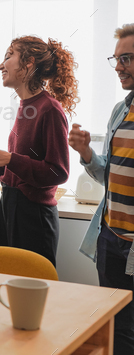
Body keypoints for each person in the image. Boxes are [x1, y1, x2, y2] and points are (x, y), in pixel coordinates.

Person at [0, 35, 78, 267]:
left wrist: (11, 159)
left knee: (30, 296)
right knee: (2, 284)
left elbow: (58, 172)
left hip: (33, 218)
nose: (1, 65)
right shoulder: (26, 106)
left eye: (8, 56)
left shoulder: (49, 109)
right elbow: (24, 167)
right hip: (9, 209)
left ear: (29, 62)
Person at [70, 23, 134, 354]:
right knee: (116, 328)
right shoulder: (119, 111)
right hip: (110, 240)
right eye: (117, 59)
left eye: (127, 59)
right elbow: (109, 175)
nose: (119, 67)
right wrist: (86, 154)